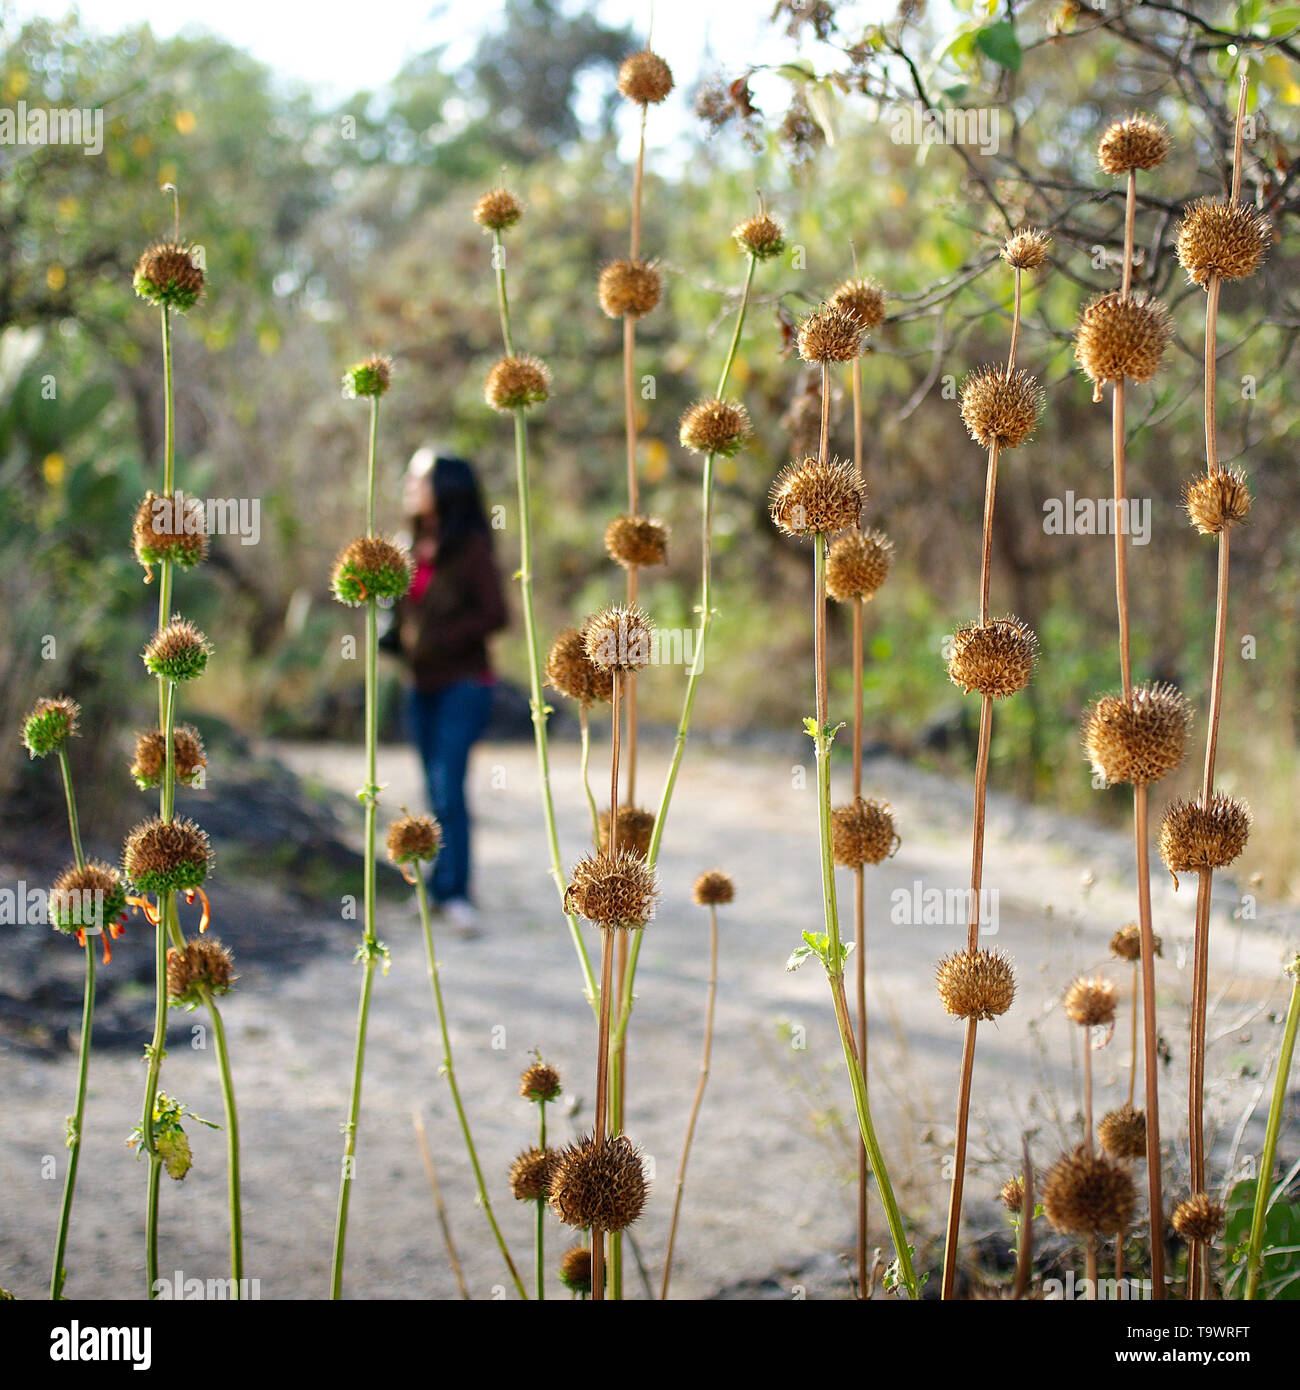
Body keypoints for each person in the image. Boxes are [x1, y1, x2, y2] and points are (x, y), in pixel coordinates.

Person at [395, 448, 507, 930]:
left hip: (464, 684)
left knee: (448, 788)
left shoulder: (471, 548)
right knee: (431, 787)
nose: (409, 485)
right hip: (420, 684)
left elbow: (497, 614)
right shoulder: (410, 544)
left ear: (445, 488)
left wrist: (441, 639)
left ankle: (457, 891)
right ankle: (437, 889)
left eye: (418, 478)